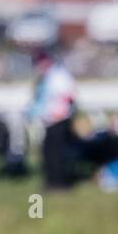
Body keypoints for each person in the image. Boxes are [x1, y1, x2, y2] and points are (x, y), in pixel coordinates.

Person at [27, 49, 78, 188]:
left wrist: (59, 114)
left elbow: (68, 96)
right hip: (51, 121)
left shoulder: (59, 75)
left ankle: (59, 183)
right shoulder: (49, 76)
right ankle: (52, 182)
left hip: (59, 120)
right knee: (48, 152)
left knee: (56, 153)